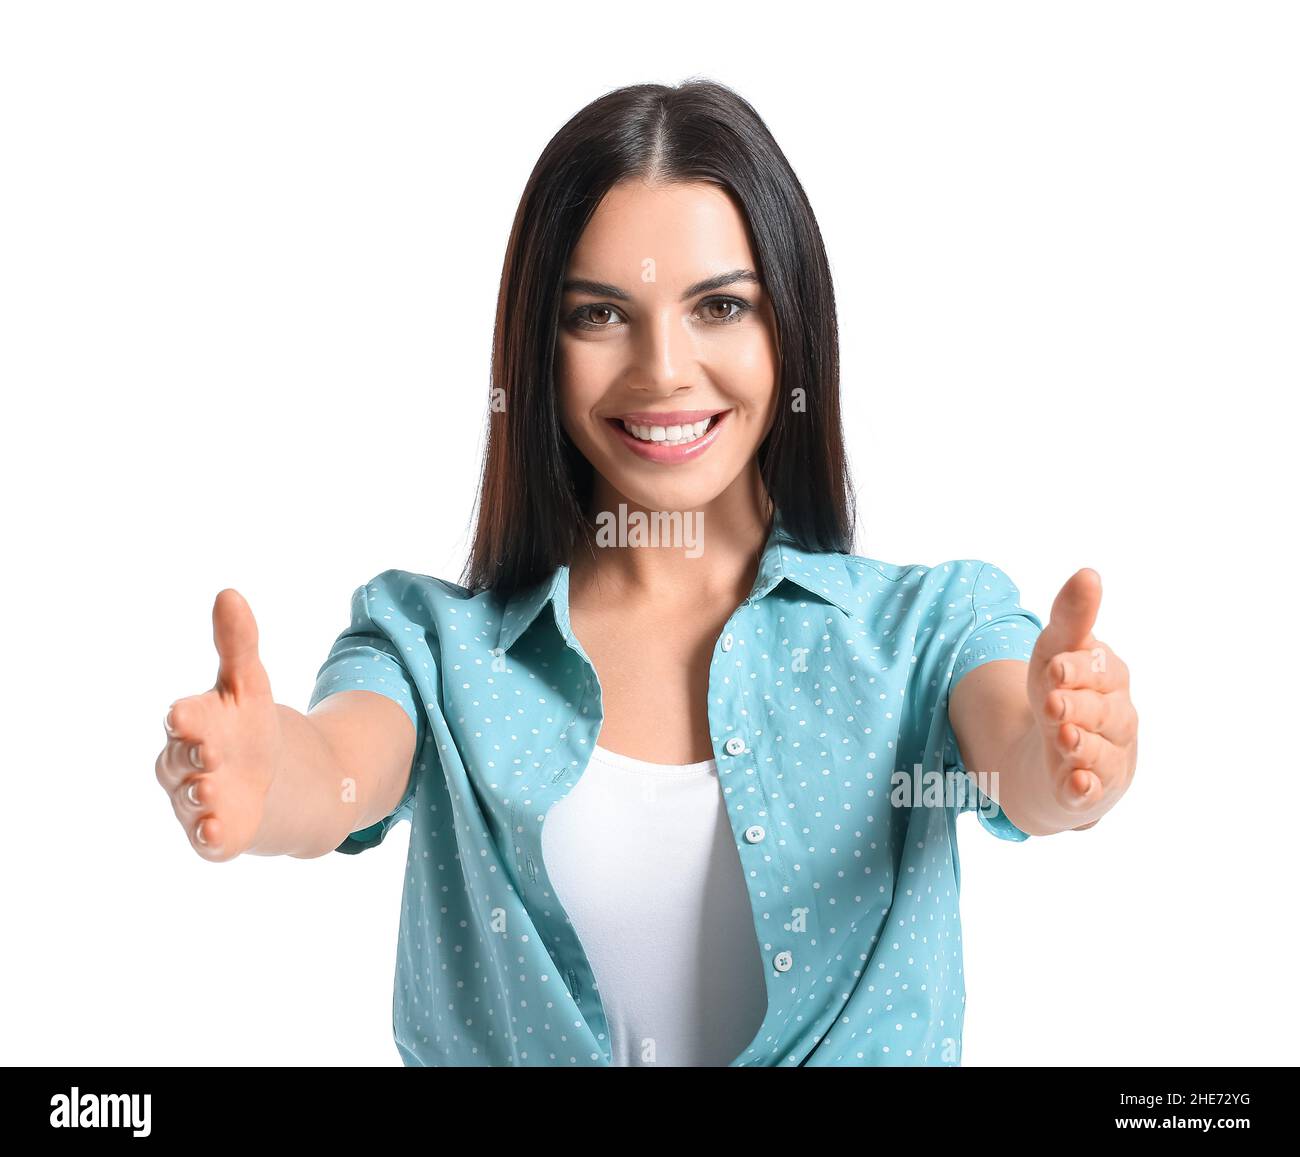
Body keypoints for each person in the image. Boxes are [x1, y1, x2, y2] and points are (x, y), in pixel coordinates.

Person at [154, 79, 1139, 1066]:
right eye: (599, 314)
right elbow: (339, 766)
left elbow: (1020, 758)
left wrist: (1070, 757)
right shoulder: (433, 650)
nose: (663, 368)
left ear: (791, 328)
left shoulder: (928, 634)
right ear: (539, 350)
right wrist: (266, 774)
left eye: (720, 305)